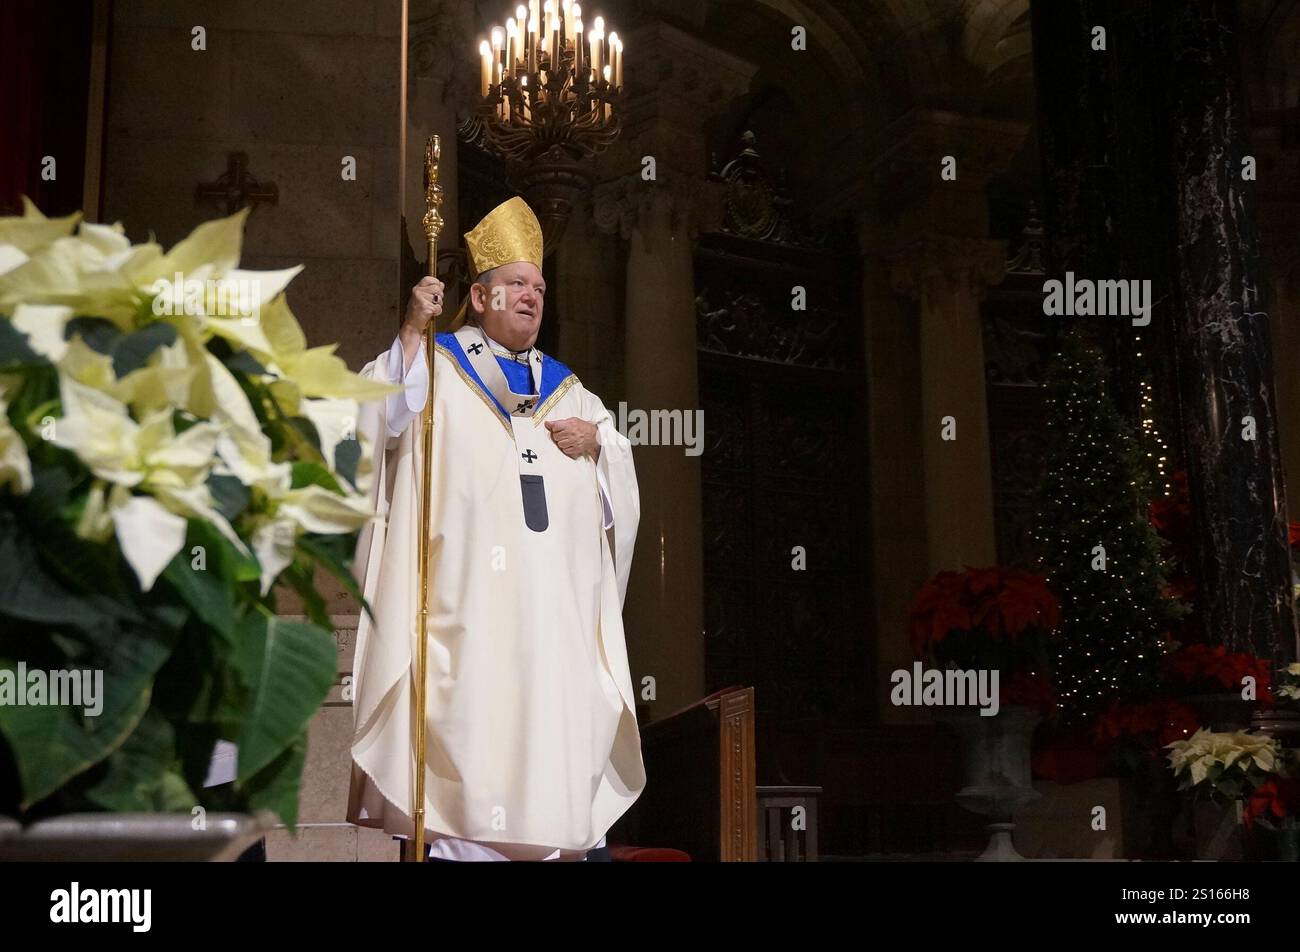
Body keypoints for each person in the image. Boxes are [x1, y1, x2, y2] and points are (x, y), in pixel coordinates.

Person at [346, 197, 644, 861]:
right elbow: (369, 421)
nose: (532, 297)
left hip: (555, 650)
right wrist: (410, 336)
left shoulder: (574, 396)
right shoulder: (434, 369)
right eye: (516, 284)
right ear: (478, 297)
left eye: (539, 287)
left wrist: (601, 449)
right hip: (464, 636)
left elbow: (618, 497)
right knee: (466, 795)